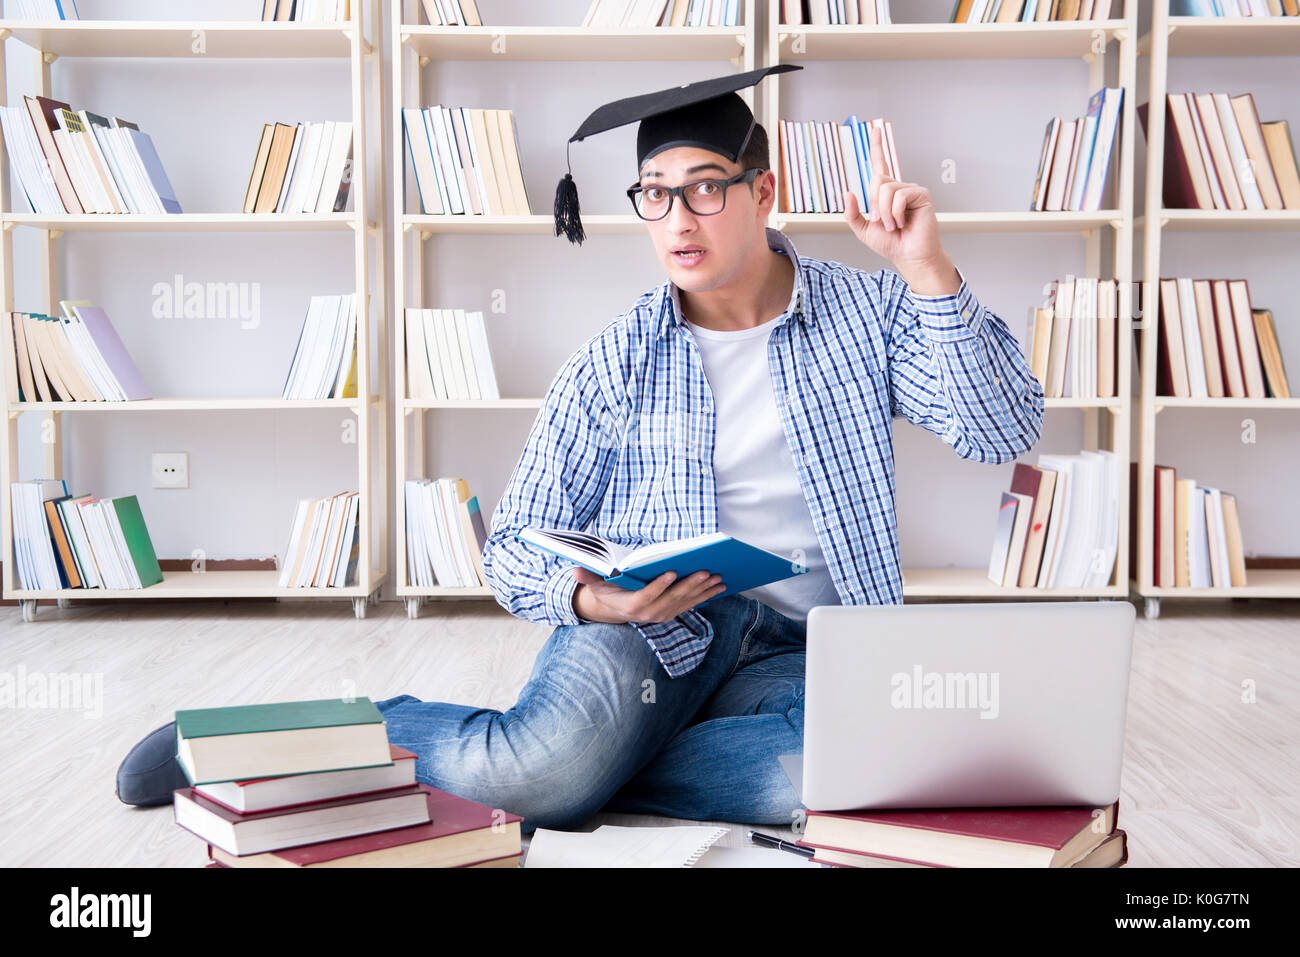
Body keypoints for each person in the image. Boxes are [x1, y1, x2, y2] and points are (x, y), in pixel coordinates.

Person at [116, 66, 1045, 832]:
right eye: (654, 195)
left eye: (707, 188)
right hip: (656, 629)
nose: (678, 219)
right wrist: (594, 598)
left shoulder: (869, 311)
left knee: (836, 773)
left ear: (765, 191)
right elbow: (515, 540)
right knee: (548, 764)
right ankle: (331, 732)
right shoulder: (614, 362)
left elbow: (1001, 428)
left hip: (816, 646)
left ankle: (586, 778)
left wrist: (926, 269)